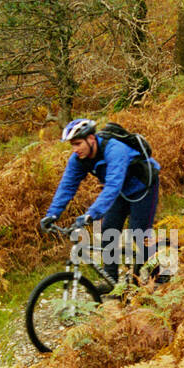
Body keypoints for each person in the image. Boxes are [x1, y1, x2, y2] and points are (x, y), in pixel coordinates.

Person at [39, 118, 162, 287]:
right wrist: (52, 214)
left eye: (78, 144)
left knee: (138, 232)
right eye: (72, 145)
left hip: (143, 187)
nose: (75, 150)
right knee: (108, 230)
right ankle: (110, 280)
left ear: (91, 139)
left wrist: (91, 214)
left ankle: (160, 276)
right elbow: (67, 186)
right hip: (120, 191)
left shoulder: (115, 150)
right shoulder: (78, 159)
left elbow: (112, 185)